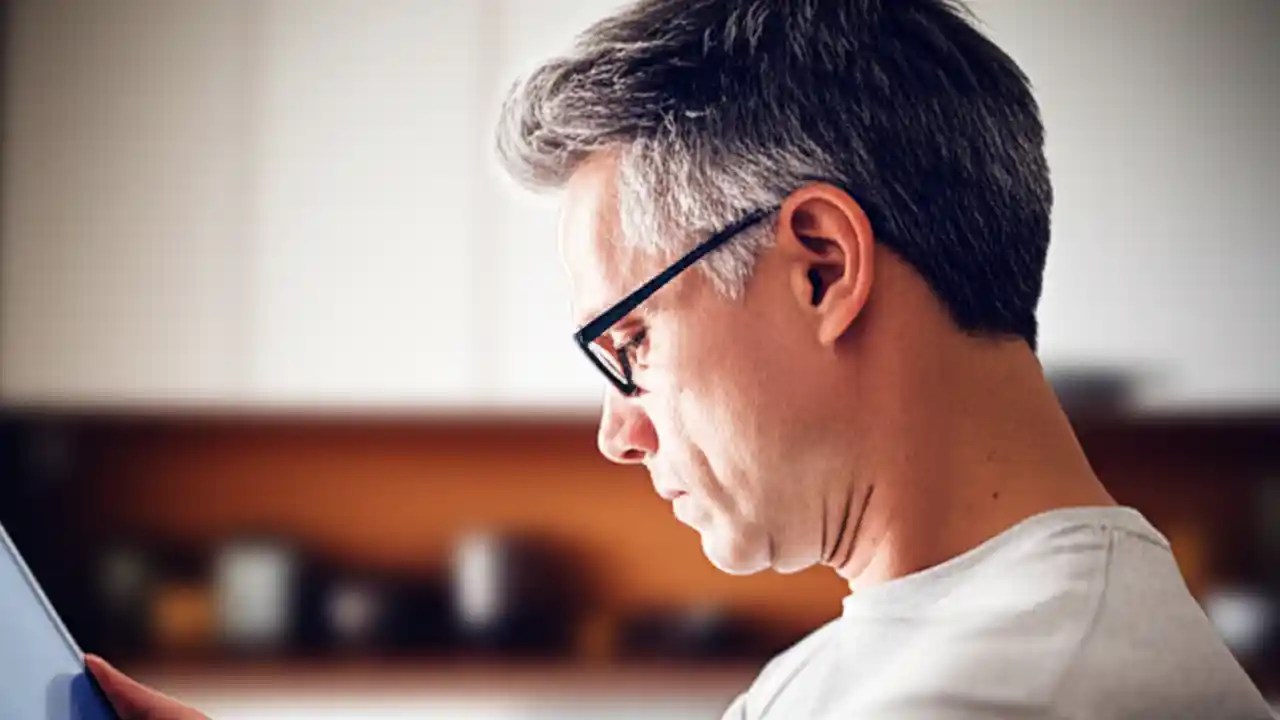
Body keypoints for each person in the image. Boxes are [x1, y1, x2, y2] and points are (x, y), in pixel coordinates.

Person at [90, 1, 1273, 718]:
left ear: (819, 264)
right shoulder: (936, 635)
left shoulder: (1004, 695)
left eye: (634, 341)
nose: (619, 428)